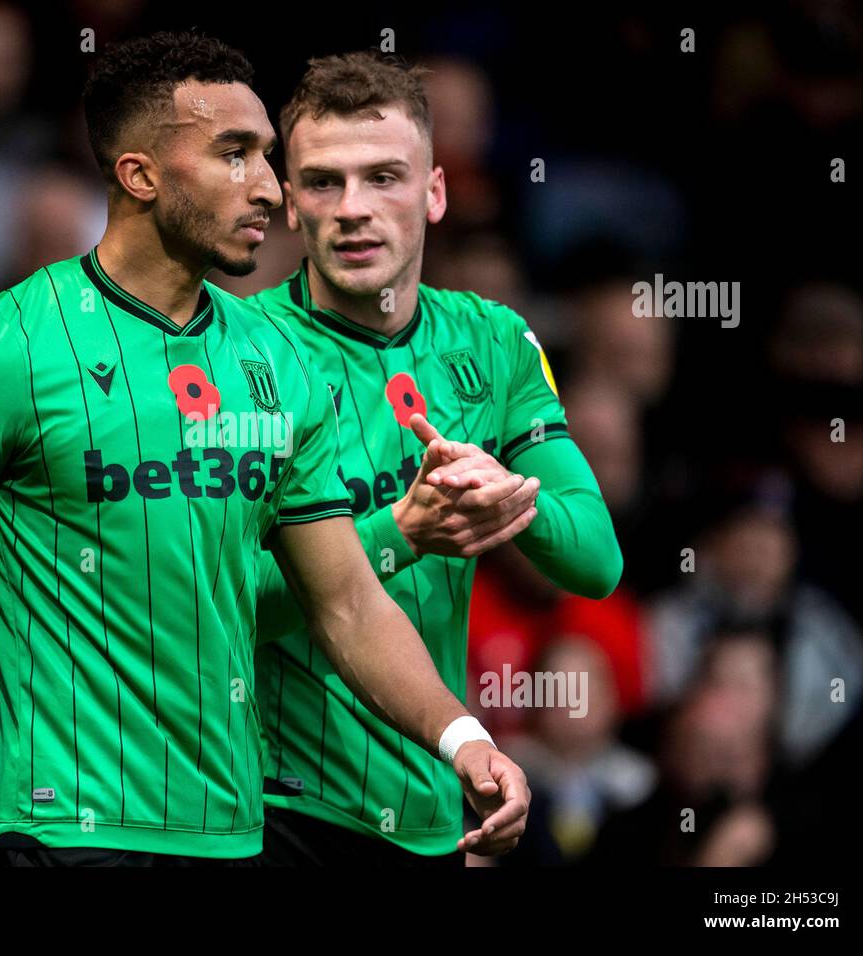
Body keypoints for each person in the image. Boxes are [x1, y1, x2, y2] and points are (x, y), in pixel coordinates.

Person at [0, 31, 528, 868]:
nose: (271, 188)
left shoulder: (281, 366)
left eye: (269, 157)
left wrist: (462, 740)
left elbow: (346, 602)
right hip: (59, 829)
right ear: (140, 176)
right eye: (235, 155)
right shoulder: (3, 350)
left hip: (233, 837)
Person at [250, 52, 623, 864]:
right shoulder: (232, 357)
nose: (353, 209)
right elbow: (221, 604)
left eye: (384, 176)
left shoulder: (496, 341)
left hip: (433, 806)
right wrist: (402, 530)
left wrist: (509, 498)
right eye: (322, 182)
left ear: (435, 192)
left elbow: (596, 560)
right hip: (271, 810)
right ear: (287, 205)